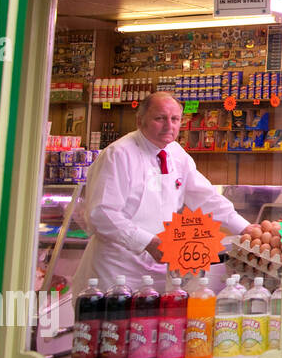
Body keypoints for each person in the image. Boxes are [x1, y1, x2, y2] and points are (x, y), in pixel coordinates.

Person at [79, 92, 249, 289]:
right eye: (160, 118)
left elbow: (206, 198)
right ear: (140, 120)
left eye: (175, 119)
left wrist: (244, 229)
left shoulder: (176, 153)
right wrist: (147, 242)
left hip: (163, 267)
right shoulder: (118, 154)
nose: (169, 126)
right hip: (118, 269)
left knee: (161, 318)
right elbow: (101, 214)